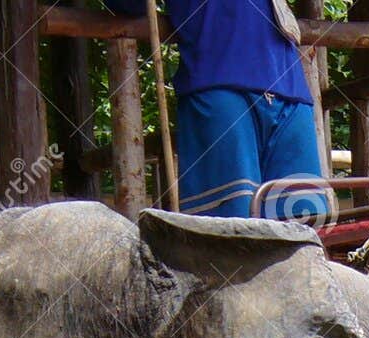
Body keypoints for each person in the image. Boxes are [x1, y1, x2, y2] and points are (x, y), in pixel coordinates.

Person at [107, 0, 323, 217]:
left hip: (287, 87)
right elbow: (129, 7)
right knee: (232, 232)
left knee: (305, 228)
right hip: (224, 88)